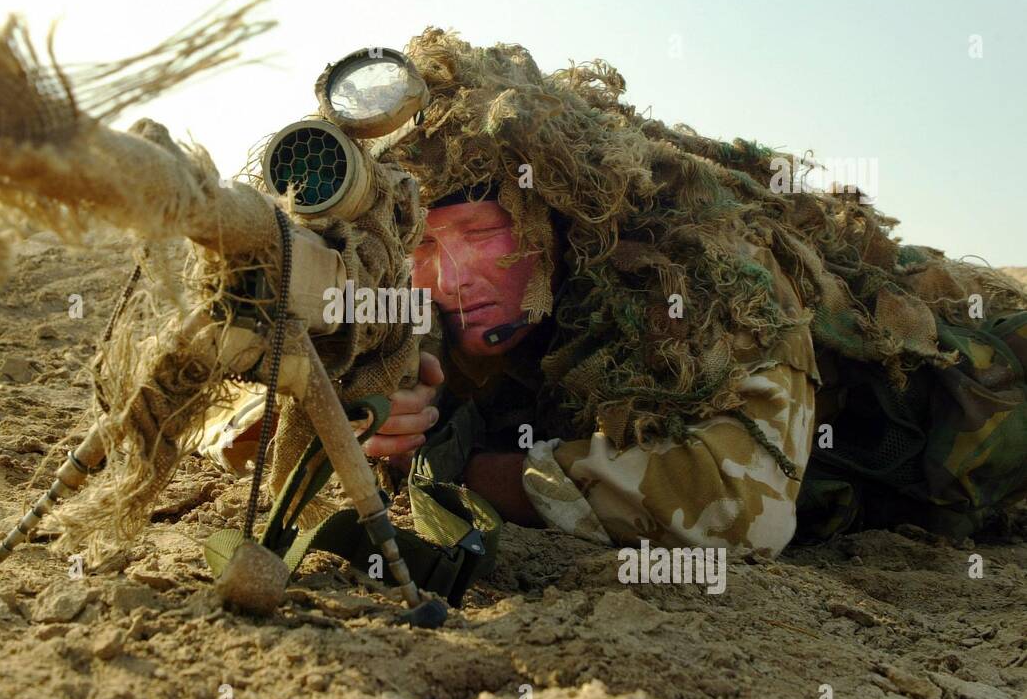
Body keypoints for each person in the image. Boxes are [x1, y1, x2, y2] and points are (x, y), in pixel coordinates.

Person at [360, 28, 1027, 557]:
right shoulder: (441, 305)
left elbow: (738, 510)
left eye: (476, 231)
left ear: (552, 214)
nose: (448, 278)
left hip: (980, 417)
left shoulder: (701, 265)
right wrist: (381, 421)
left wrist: (473, 475)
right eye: (420, 245)